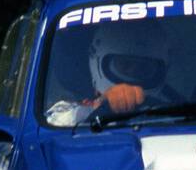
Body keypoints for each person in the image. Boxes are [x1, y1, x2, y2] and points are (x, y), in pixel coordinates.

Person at [45, 21, 174, 126]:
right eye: (125, 65)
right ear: (97, 61)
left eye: (144, 68)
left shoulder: (175, 115)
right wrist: (103, 106)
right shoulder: (68, 117)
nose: (132, 76)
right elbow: (52, 130)